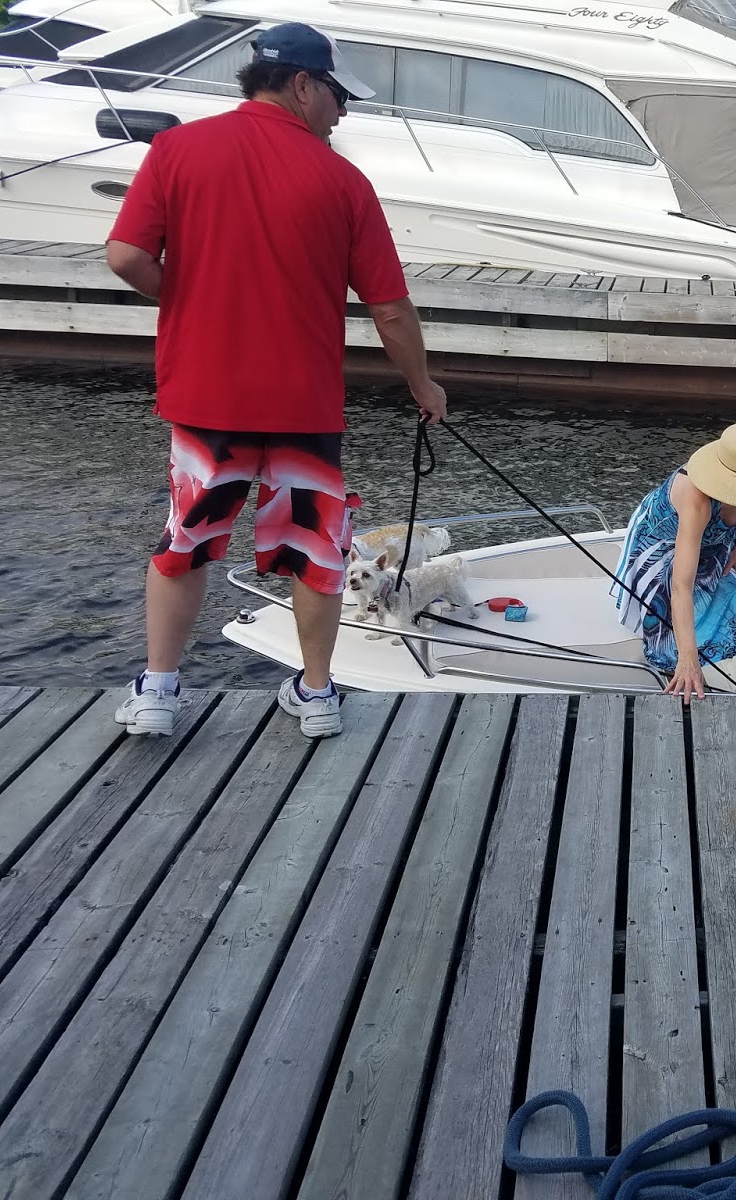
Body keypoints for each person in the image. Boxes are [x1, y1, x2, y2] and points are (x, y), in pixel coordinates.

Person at [105, 22, 447, 740]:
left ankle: (159, 690)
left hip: (207, 399)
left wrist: (187, 299)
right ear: (300, 84)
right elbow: (389, 309)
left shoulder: (176, 150)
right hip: (303, 407)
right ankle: (317, 694)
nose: (343, 111)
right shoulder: (342, 180)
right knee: (315, 554)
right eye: (337, 95)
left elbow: (126, 258)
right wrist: (424, 387)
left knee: (186, 541)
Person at [614, 423, 736, 700]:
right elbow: (681, 585)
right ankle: (689, 688)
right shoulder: (698, 499)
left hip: (713, 545)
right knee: (675, 649)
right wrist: (688, 657)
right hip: (665, 550)